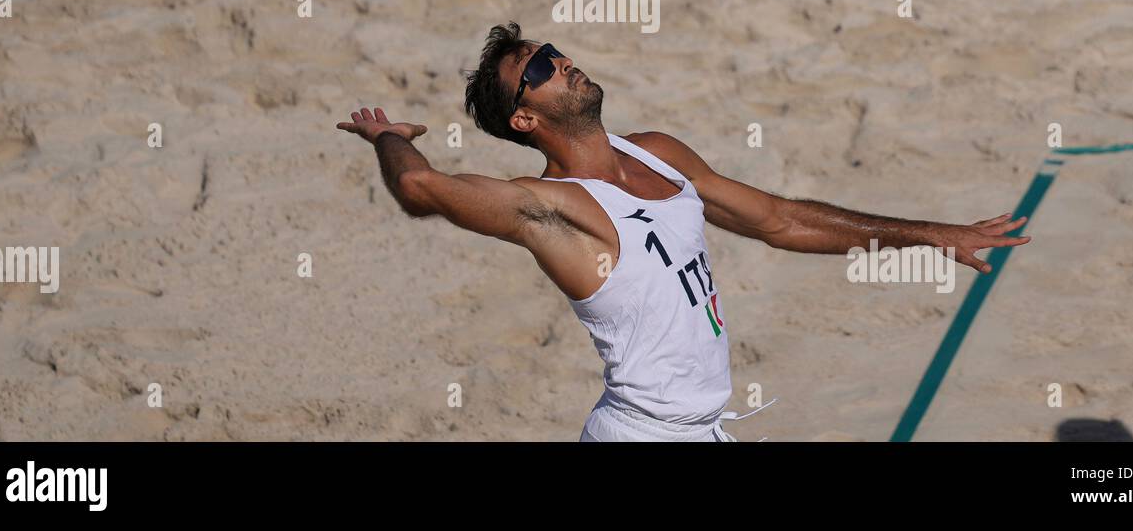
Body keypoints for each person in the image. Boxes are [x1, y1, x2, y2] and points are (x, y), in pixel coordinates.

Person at [336, 23, 1030, 441]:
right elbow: (420, 189)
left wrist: (931, 234)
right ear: (525, 119)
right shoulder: (552, 207)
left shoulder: (656, 153)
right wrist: (389, 137)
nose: (565, 62)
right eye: (542, 69)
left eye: (556, 51)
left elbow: (780, 220)